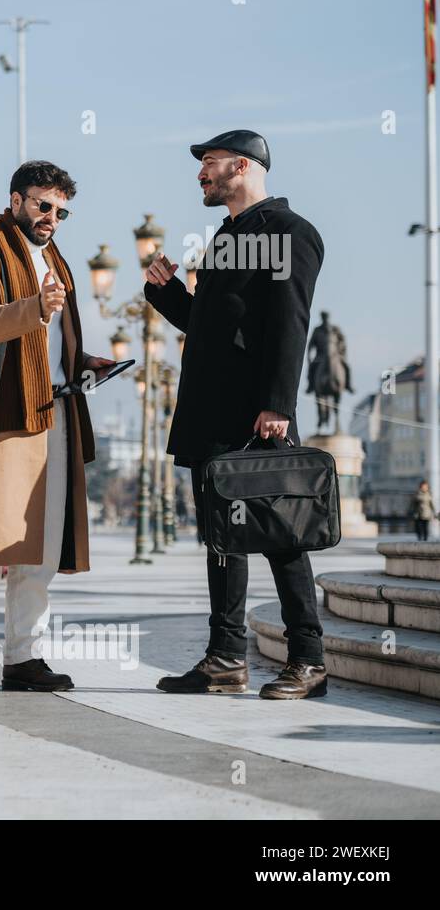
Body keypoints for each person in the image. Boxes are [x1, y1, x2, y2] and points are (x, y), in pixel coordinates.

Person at [144, 129, 328, 700]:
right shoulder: (227, 238)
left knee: (282, 537)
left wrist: (278, 403)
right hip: (212, 412)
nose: (201, 173)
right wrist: (167, 291)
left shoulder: (291, 233)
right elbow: (212, 327)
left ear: (243, 166)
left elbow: (291, 323)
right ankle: (225, 658)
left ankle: (309, 660)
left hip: (256, 415)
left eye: (211, 163)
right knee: (223, 537)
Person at [0, 161, 112, 697]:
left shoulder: (56, 260)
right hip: (1, 419)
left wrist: (83, 362)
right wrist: (36, 307)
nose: (52, 218)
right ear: (15, 201)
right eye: (43, 205)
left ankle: (22, 657)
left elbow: (50, 348)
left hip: (56, 414)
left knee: (38, 551)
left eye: (62, 210)